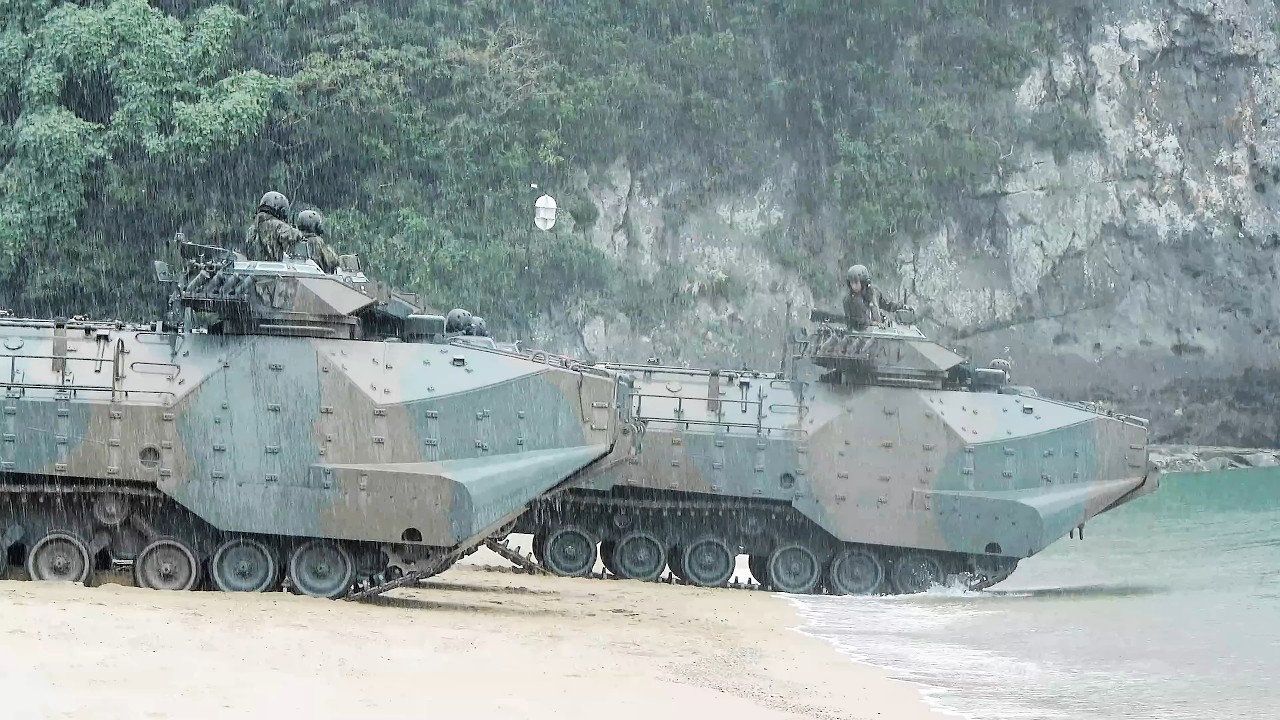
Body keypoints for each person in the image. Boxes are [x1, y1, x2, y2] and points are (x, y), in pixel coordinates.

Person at [842, 264, 909, 330]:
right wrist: (872, 323)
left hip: (879, 332)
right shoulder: (848, 300)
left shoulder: (874, 293)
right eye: (851, 283)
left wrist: (901, 306)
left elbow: (887, 305)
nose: (853, 286)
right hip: (860, 334)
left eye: (856, 283)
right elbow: (852, 322)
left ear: (863, 282)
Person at [246, 191, 303, 262]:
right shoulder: (277, 225)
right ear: (281, 210)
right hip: (273, 266)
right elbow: (294, 235)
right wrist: (300, 233)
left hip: (255, 266)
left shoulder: (252, 228)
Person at [295, 209, 340, 274]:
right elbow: (333, 261)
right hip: (317, 275)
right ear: (317, 226)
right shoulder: (317, 241)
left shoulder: (295, 238)